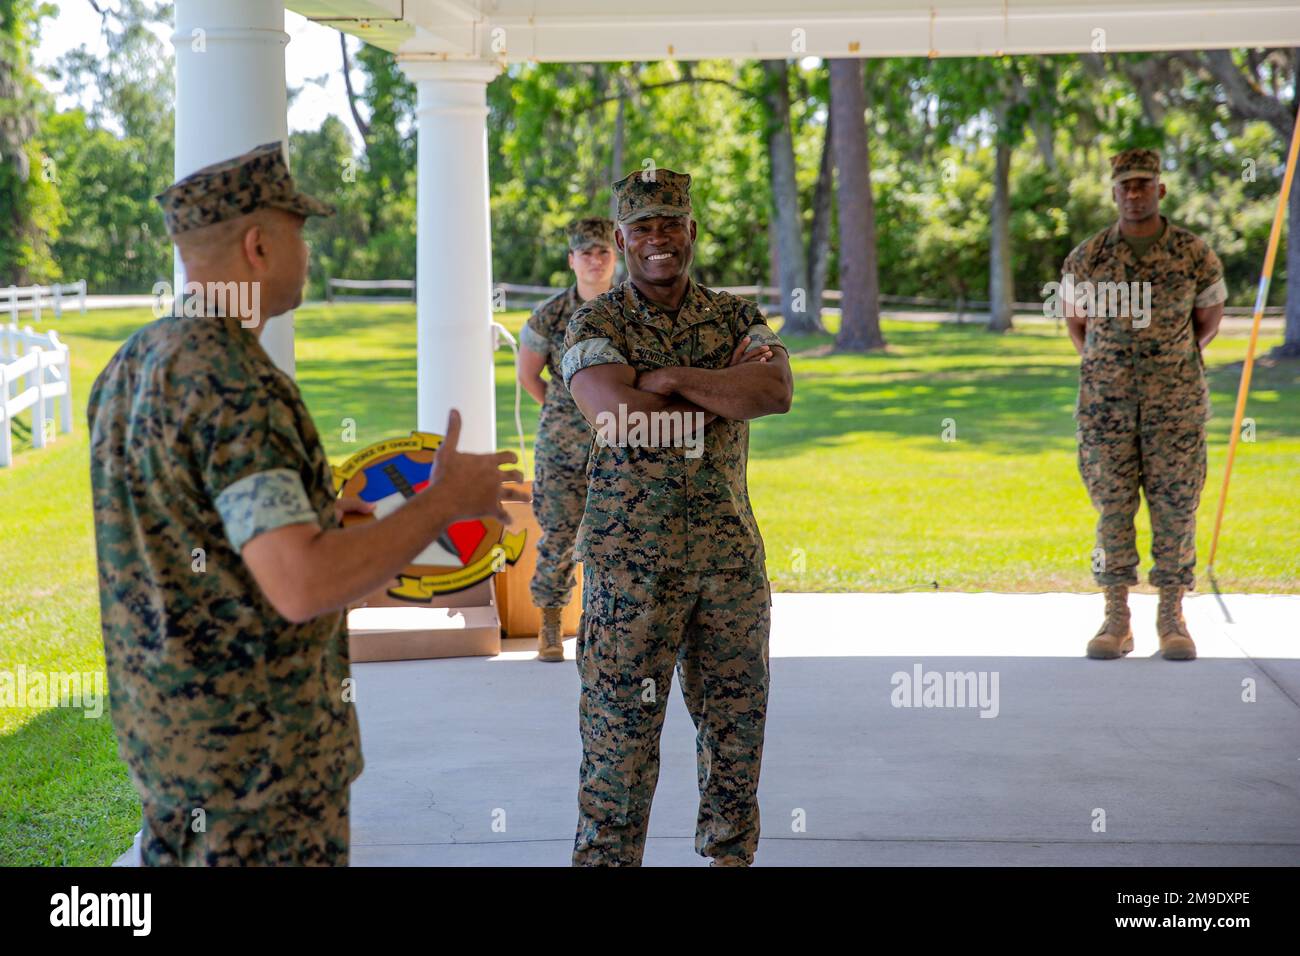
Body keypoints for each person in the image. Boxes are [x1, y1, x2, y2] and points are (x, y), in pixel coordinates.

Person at [87, 141, 526, 865]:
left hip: (176, 751)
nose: (308, 249)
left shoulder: (136, 363)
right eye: (300, 230)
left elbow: (224, 548)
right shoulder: (235, 384)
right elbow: (302, 585)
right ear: (259, 246)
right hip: (260, 778)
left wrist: (330, 527)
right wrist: (445, 501)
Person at [561, 168, 794, 866]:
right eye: (643, 228)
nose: (658, 238)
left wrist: (668, 378)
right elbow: (619, 416)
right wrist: (721, 393)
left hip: (727, 563)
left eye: (671, 223)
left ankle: (730, 859)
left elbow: (775, 389)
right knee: (618, 743)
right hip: (630, 571)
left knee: (736, 733)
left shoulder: (732, 316)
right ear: (624, 238)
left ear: (690, 230)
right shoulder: (597, 320)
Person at [1062, 147, 1226, 661]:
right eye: (1124, 186)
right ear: (1113, 193)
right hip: (1105, 410)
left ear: (1160, 190)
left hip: (1174, 409)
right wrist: (1110, 367)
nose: (1133, 194)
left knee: (1177, 510)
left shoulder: (1194, 254)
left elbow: (1209, 321)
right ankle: (1116, 619)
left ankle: (1172, 618)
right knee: (1112, 510)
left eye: (1142, 184)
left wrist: (1167, 364)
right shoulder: (1088, 257)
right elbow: (1076, 324)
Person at [518, 218, 616, 662]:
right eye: (586, 253)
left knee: (618, 535)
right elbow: (527, 374)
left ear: (615, 258)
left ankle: (611, 627)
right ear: (571, 259)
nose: (595, 261)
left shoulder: (631, 308)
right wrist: (566, 409)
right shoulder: (551, 314)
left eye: (603, 253)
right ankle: (551, 624)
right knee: (558, 533)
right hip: (560, 445)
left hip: (621, 441)